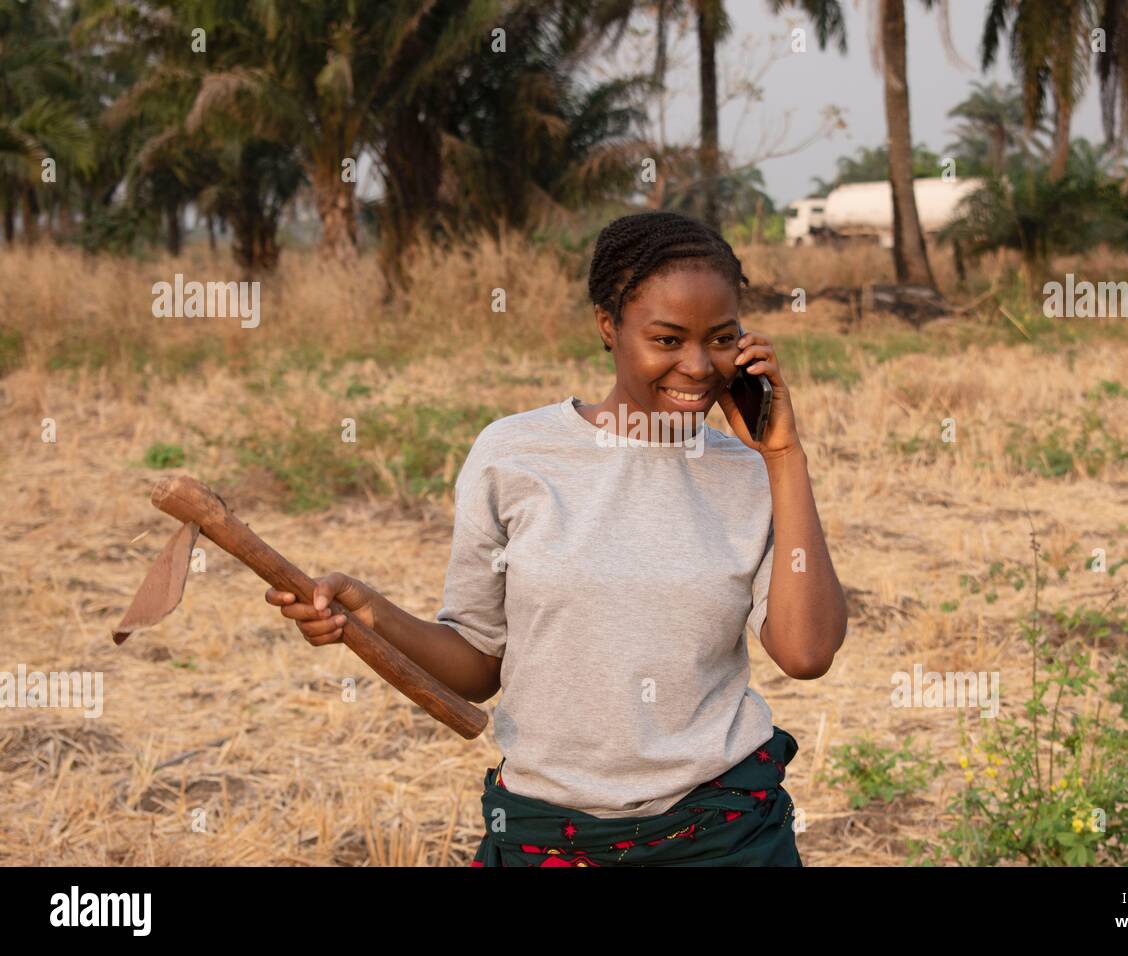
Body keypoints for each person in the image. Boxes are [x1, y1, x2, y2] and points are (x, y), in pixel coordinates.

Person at [266, 210, 848, 866]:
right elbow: (478, 666)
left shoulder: (751, 474)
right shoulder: (515, 455)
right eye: (667, 339)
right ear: (608, 326)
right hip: (550, 835)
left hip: (721, 833)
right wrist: (369, 615)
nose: (697, 366)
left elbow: (805, 653)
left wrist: (785, 455)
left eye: (720, 339)